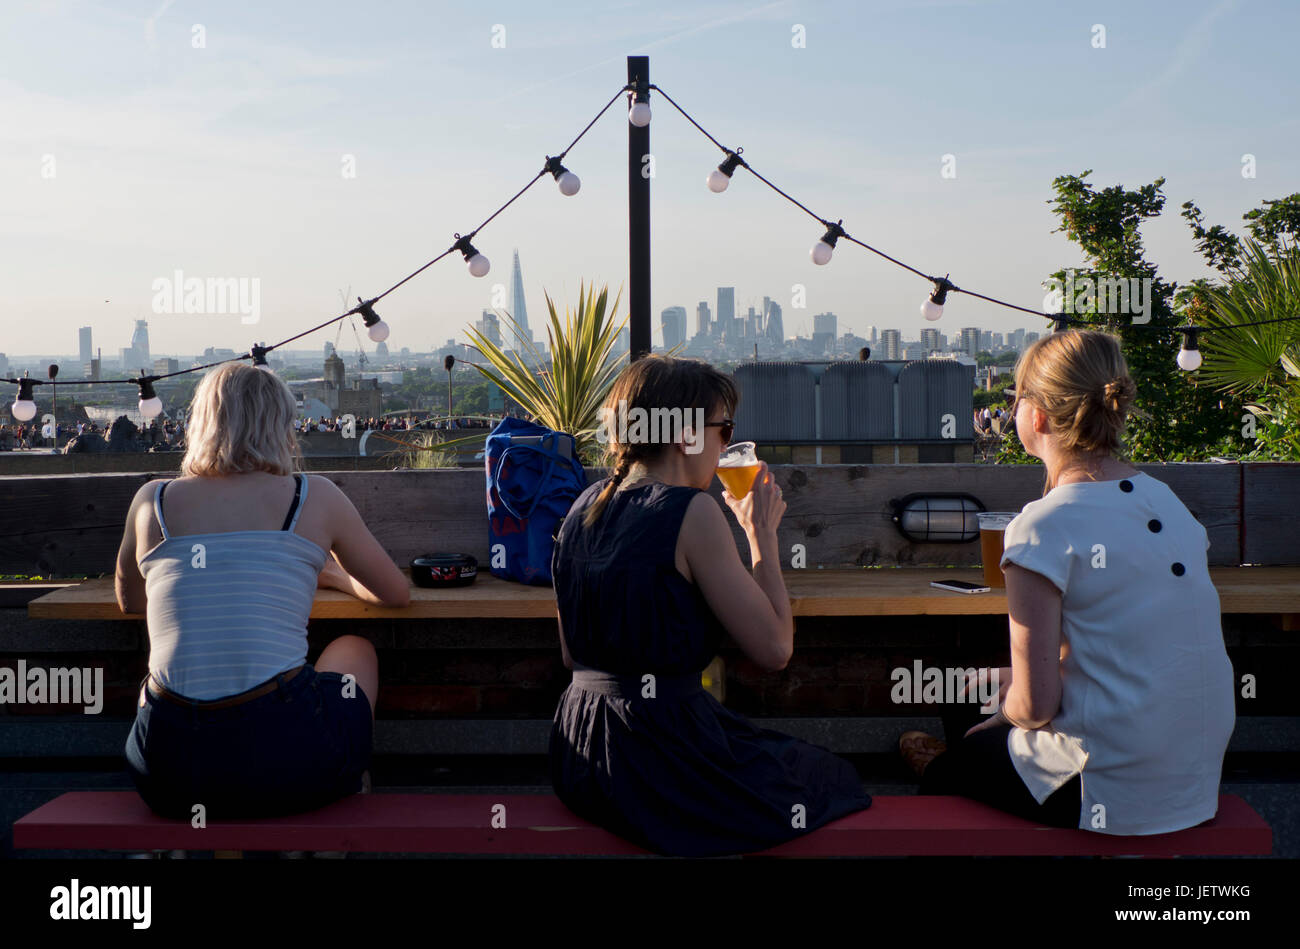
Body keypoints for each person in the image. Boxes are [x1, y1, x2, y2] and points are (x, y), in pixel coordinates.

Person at [900, 330, 1234, 835]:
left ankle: (949, 774)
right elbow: (1124, 636)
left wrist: (1003, 718)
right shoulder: (1167, 502)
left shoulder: (1043, 525)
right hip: (1191, 776)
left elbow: (1034, 709)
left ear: (1035, 416)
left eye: (1015, 399)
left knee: (952, 758)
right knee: (973, 694)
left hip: (1107, 786)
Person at [549, 355, 871, 857]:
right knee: (829, 776)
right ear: (686, 436)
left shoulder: (583, 504)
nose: (726, 444)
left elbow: (572, 656)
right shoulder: (690, 511)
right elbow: (775, 649)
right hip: (658, 760)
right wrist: (760, 533)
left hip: (581, 754)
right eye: (725, 430)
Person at [115, 362, 410, 818]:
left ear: (202, 423)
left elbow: (132, 601)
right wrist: (331, 577)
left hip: (169, 774)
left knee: (153, 685)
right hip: (286, 762)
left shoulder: (151, 501)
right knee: (353, 649)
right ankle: (345, 787)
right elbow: (394, 593)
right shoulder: (313, 495)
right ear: (280, 424)